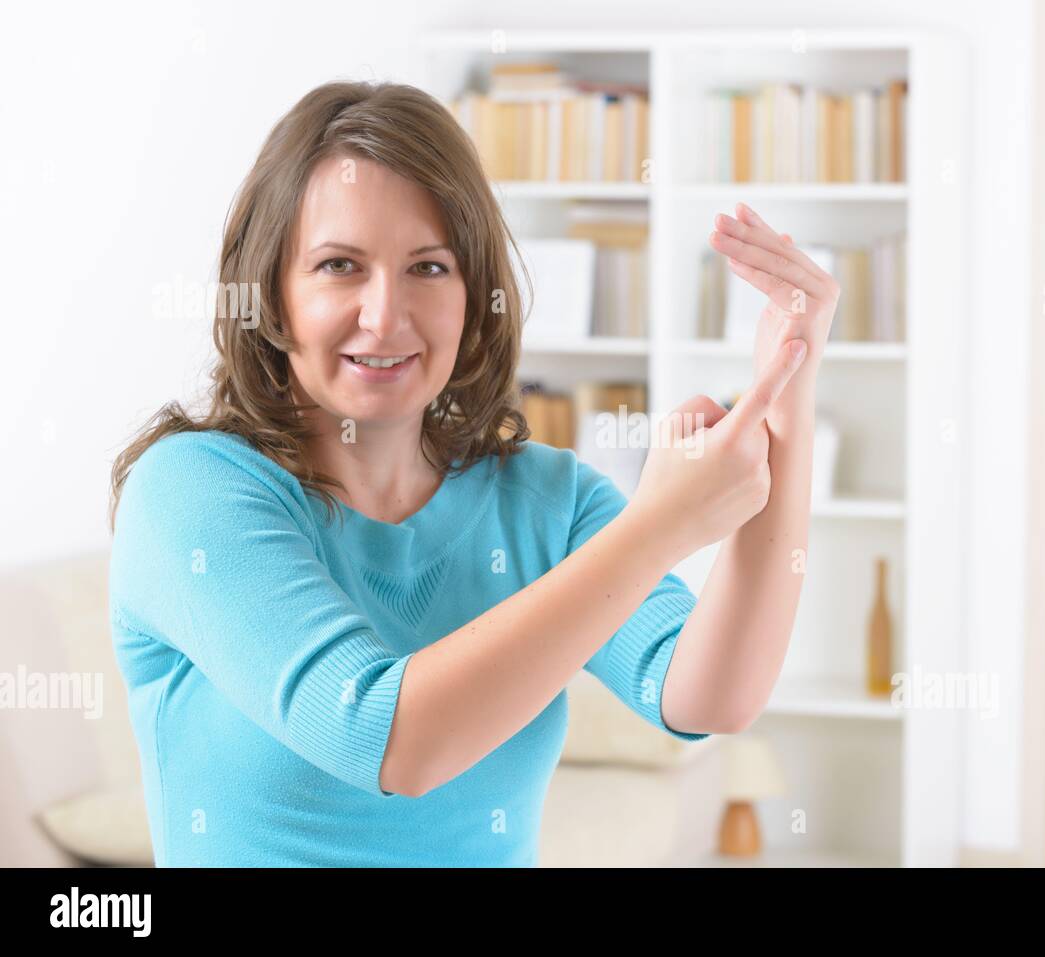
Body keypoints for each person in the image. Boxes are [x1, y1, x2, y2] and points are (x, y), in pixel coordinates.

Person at [106, 80, 838, 867]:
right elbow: (385, 736)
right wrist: (658, 526)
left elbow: (709, 694)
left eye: (428, 267)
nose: (385, 316)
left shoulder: (545, 501)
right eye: (339, 265)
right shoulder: (189, 492)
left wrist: (787, 390)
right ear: (273, 292)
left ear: (472, 297)